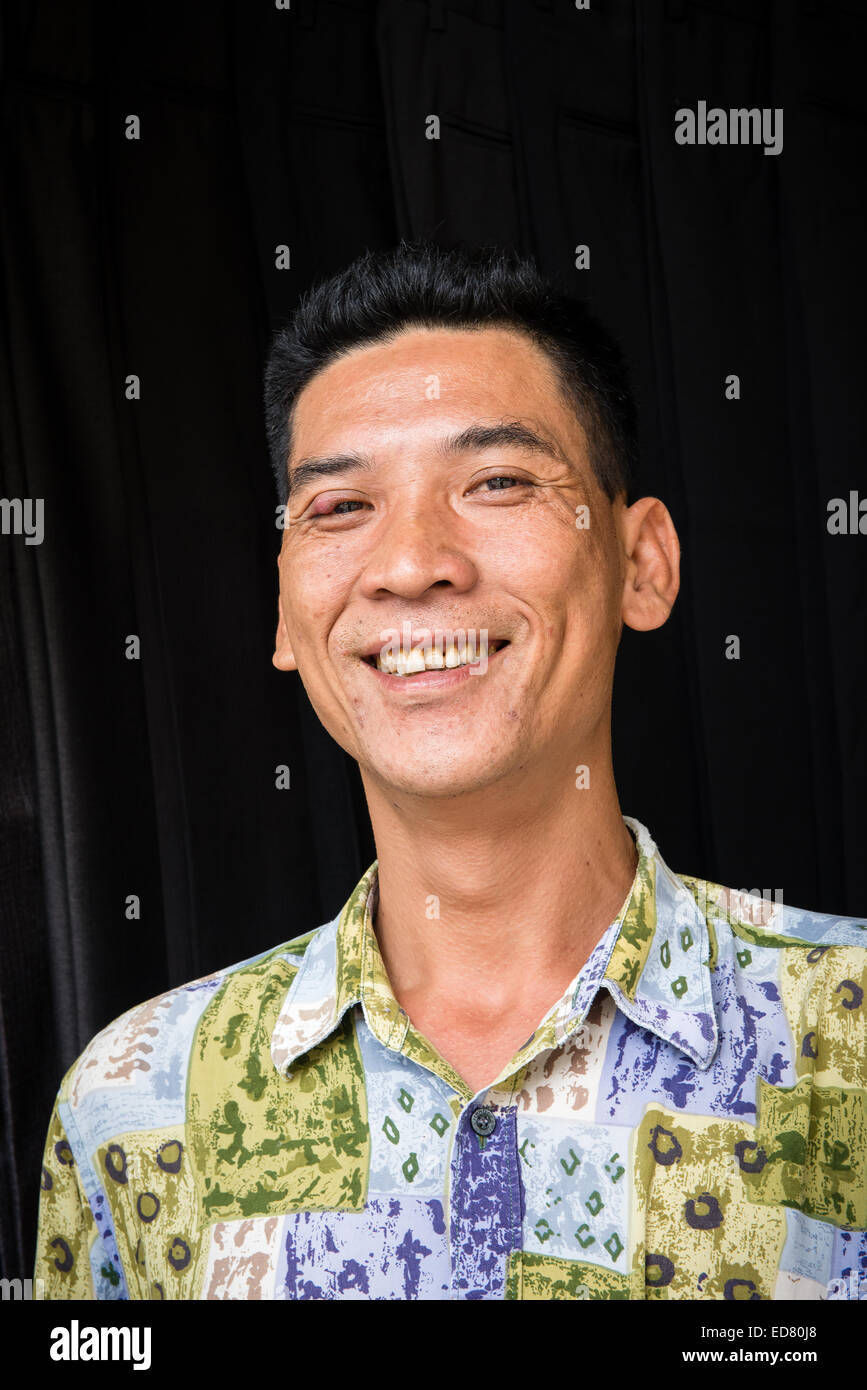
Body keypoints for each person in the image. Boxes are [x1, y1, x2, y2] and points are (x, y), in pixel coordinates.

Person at [35, 243, 867, 1301]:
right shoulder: (131, 1103)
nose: (411, 561)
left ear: (642, 562)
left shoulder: (850, 1030)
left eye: (498, 481)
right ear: (285, 610)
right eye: (339, 507)